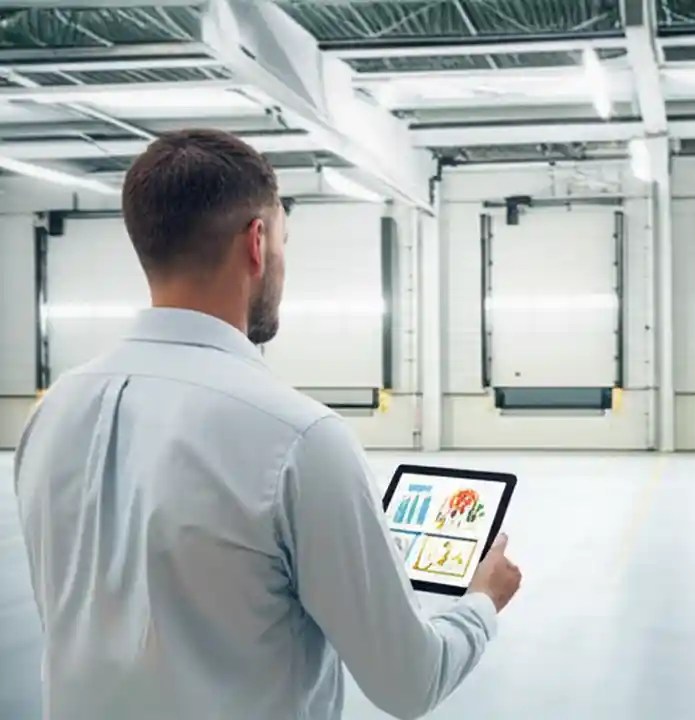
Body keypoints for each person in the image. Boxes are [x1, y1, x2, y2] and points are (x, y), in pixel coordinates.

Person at [13, 129, 522, 720]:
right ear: (257, 243)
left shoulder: (52, 412)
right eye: (283, 239)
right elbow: (410, 682)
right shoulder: (299, 437)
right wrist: (483, 601)